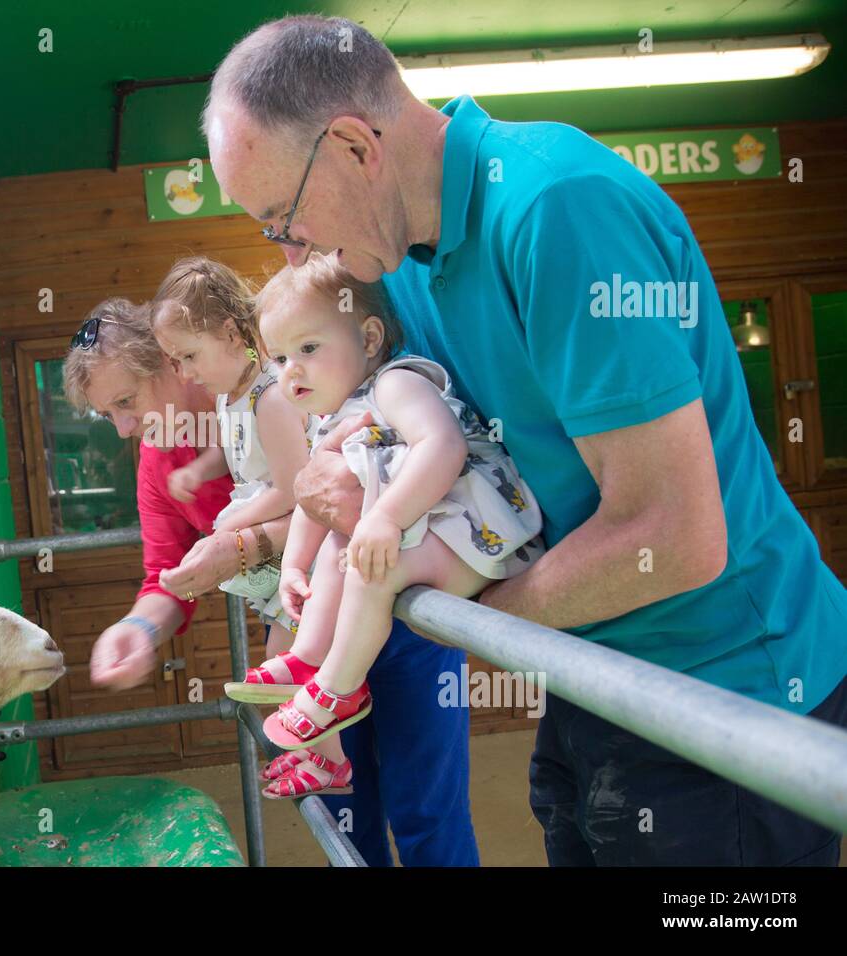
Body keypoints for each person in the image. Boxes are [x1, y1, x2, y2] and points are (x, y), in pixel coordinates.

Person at [202, 14, 847, 865]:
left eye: (282, 218)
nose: (290, 254)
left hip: (726, 685)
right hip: (591, 668)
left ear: (357, 147)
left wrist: (460, 616)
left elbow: (676, 537)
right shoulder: (398, 265)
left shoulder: (557, 207)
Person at [237, 252, 544, 762]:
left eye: (308, 348)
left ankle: (340, 689)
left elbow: (444, 446)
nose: (292, 371)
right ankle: (309, 657)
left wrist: (384, 518)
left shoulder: (394, 384)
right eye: (279, 358)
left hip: (481, 529)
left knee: (365, 563)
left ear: (370, 339)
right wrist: (292, 566)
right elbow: (316, 504)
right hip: (435, 532)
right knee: (344, 547)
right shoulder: (333, 417)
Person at [149, 256, 348, 798]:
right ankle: (310, 754)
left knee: (288, 663)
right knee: (284, 661)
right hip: (275, 538)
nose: (185, 373)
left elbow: (293, 486)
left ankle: (328, 762)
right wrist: (202, 468)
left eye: (189, 356)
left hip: (300, 544)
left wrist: (232, 522)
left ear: (232, 333)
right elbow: (237, 449)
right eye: (176, 361)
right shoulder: (229, 394)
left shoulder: (272, 397)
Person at [62, 297, 293, 693]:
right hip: (293, 611)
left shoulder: (269, 390)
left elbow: (335, 499)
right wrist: (137, 628)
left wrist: (244, 548)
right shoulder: (156, 463)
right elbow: (165, 579)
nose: (122, 428)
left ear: (172, 363)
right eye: (107, 414)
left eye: (125, 401)